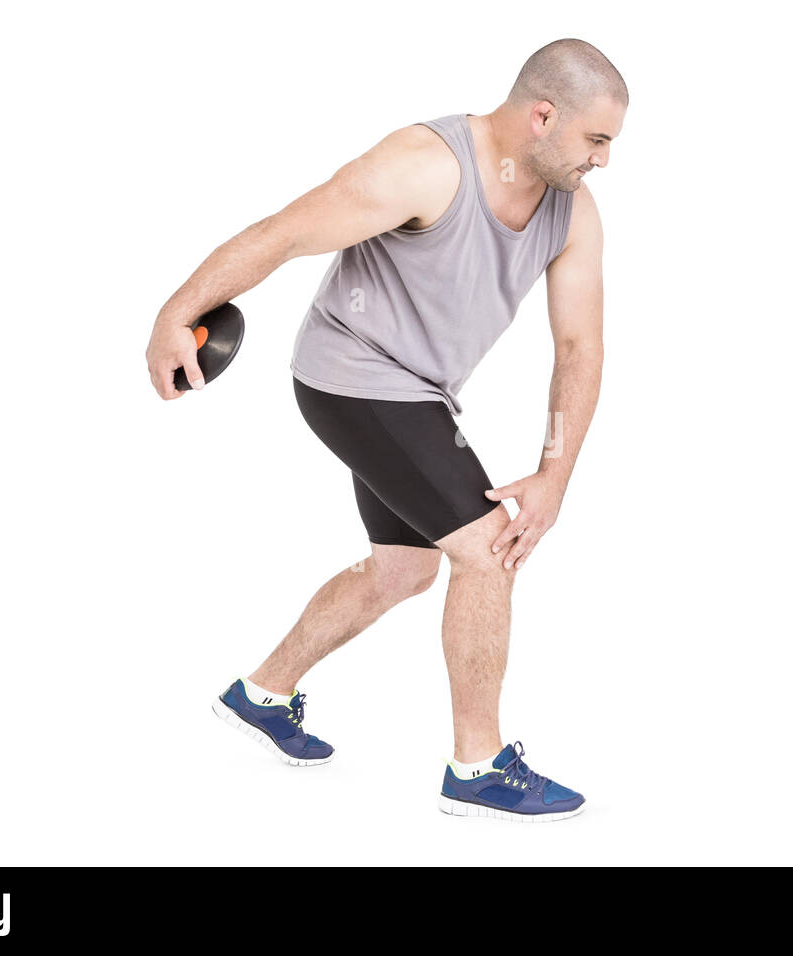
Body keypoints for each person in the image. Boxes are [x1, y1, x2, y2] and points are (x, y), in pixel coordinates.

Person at [144, 38, 625, 821]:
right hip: (351, 377)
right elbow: (287, 231)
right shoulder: (427, 164)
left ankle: (261, 692)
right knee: (488, 550)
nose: (604, 161)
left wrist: (554, 473)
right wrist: (175, 314)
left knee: (405, 570)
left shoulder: (573, 213)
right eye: (596, 141)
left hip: (422, 396)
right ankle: (478, 768)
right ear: (544, 115)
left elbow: (581, 346)